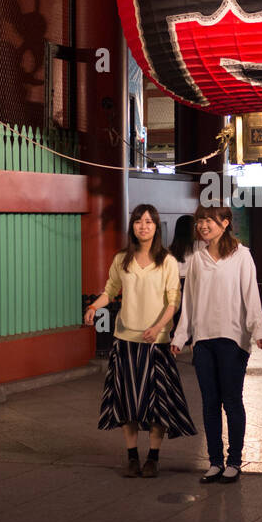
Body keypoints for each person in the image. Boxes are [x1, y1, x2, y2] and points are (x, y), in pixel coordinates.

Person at [85, 203, 196, 477]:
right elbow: (110, 290)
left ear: (156, 227)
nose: (143, 226)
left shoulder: (167, 260)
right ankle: (132, 456)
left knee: (156, 403)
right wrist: (93, 306)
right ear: (132, 226)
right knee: (128, 402)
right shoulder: (122, 258)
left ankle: (154, 458)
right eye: (138, 221)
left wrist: (158, 326)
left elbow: (174, 300)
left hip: (155, 343)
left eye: (148, 222)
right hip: (125, 340)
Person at [171, 204, 262, 484]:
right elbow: (188, 302)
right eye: (200, 221)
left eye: (209, 221)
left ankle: (234, 461)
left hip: (232, 339)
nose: (203, 225)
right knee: (209, 402)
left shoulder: (241, 255)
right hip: (203, 340)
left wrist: (257, 329)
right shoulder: (197, 259)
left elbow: (251, 295)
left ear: (225, 223)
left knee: (232, 400)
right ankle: (214, 461)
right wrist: (180, 336)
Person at [168, 214, 197, 339]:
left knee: (177, 313)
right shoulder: (198, 247)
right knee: (191, 313)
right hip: (192, 283)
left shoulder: (171, 249)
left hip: (176, 284)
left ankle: (177, 338)